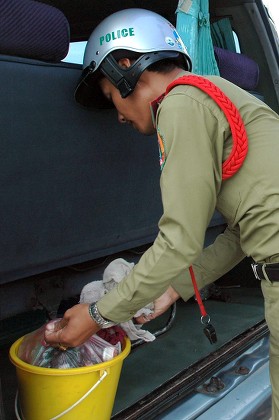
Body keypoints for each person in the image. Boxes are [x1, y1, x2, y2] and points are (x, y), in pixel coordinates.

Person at [45, 8, 279, 417]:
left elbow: (179, 241)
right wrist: (172, 290)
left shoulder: (181, 104)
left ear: (125, 68)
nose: (117, 114)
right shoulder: (210, 92)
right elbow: (244, 235)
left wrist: (98, 315)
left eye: (109, 95)